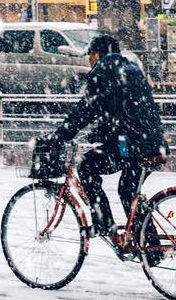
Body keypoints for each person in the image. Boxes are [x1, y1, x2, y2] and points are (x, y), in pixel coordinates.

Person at [45, 34, 168, 239]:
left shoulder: (102, 72)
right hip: (154, 142)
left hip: (131, 144)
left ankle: (103, 223)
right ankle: (150, 245)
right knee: (128, 189)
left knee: (86, 166)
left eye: (90, 56)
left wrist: (59, 136)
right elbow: (125, 108)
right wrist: (101, 132)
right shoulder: (132, 68)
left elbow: (85, 111)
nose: (89, 61)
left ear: (97, 54)